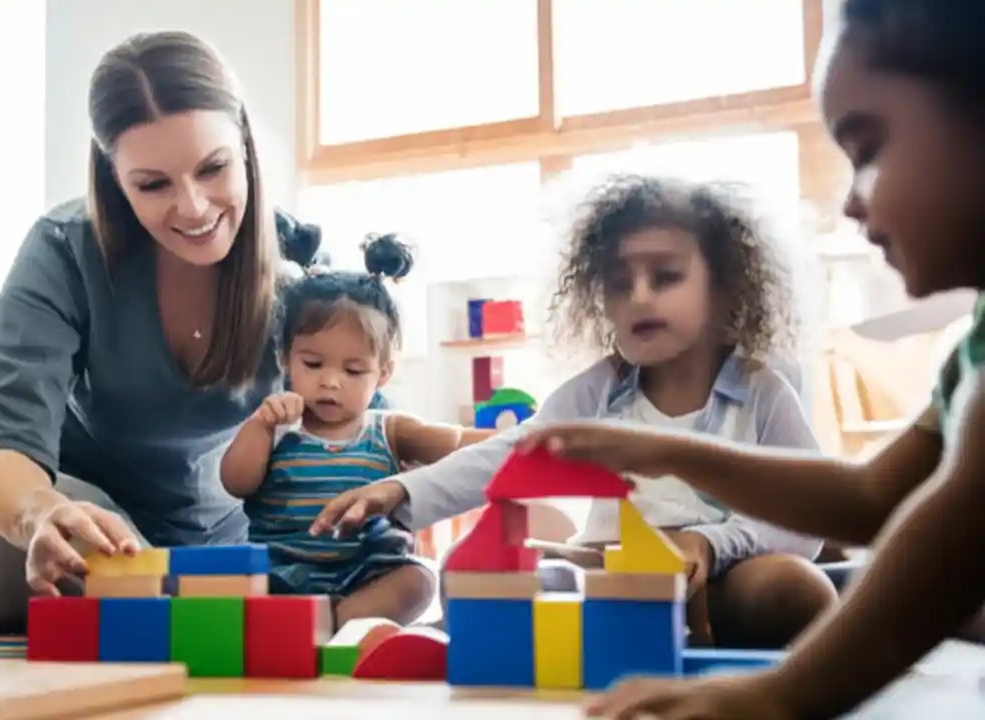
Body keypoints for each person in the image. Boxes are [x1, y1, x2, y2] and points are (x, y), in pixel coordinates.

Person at [520, 1, 985, 718]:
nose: (852, 207)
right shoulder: (973, 353)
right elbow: (871, 500)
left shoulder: (764, 386)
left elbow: (938, 545)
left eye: (866, 152)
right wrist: (666, 450)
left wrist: (771, 696)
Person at [311, 174, 837, 648]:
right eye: (618, 282)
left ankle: (661, 629)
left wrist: (709, 542)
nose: (640, 296)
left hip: (722, 576)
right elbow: (512, 455)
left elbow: (808, 512)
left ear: (724, 290)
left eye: (666, 276)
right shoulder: (603, 389)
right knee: (469, 568)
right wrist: (403, 490)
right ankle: (573, 625)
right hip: (608, 571)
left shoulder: (761, 389)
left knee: (796, 589)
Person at [0, 31, 285, 631]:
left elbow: (354, 429)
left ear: (246, 148)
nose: (195, 207)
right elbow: (6, 444)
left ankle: (185, 602)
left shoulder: (302, 269)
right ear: (114, 179)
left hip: (238, 534)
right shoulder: (62, 250)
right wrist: (41, 513)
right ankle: (169, 604)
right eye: (153, 184)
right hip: (92, 518)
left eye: (214, 168)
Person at [222, 214, 491, 628]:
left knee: (418, 580)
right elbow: (236, 483)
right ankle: (315, 629)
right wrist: (259, 425)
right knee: (222, 584)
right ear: (284, 358)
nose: (330, 381)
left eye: (353, 371)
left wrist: (529, 437)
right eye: (312, 363)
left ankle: (336, 627)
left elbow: (460, 443)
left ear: (382, 373)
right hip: (279, 577)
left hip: (365, 575)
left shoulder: (391, 430)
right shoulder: (276, 423)